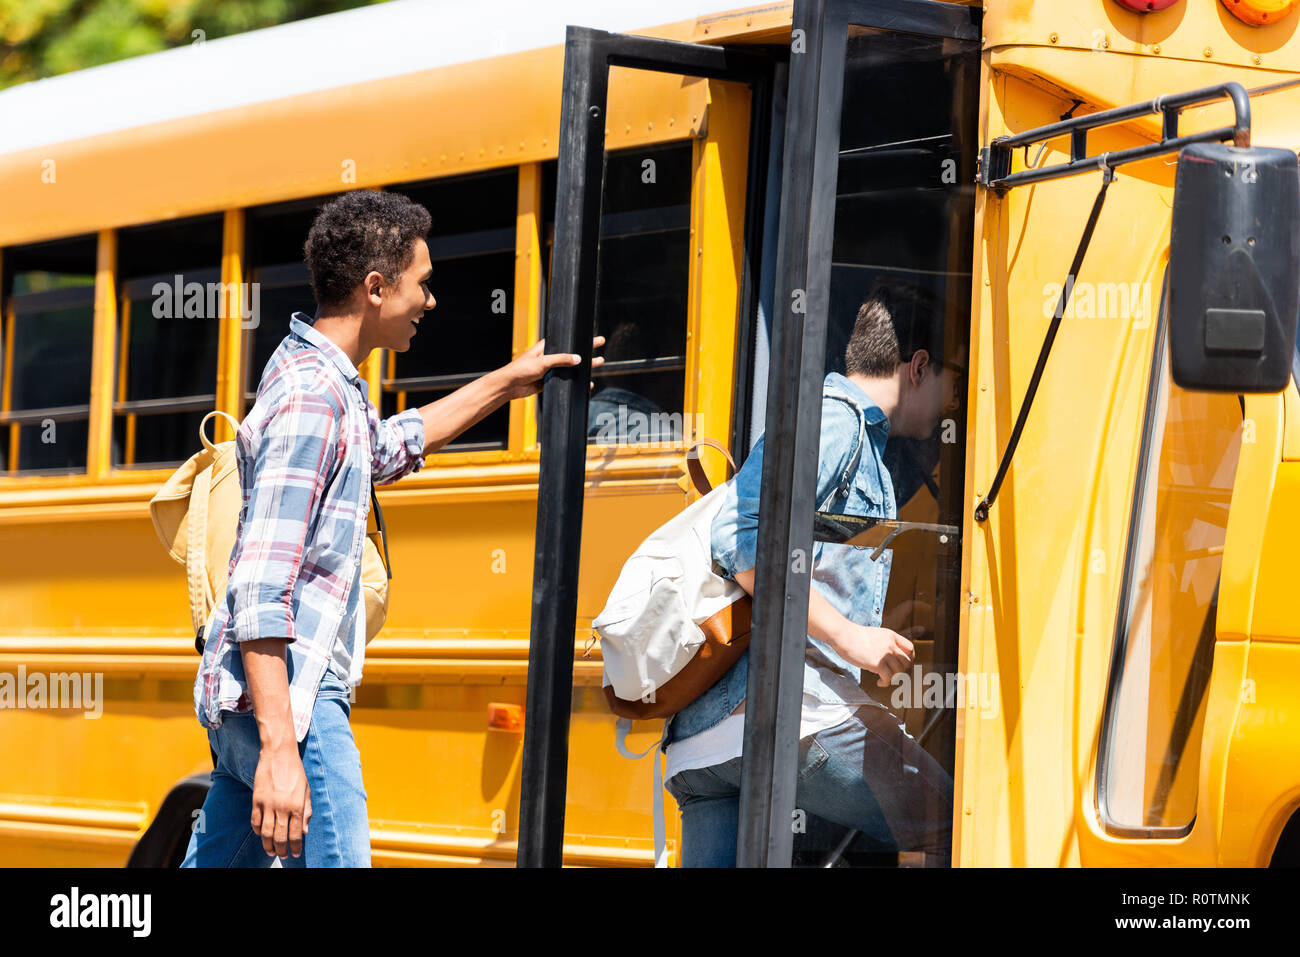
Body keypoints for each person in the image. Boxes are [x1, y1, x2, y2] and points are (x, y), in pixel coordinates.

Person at [182, 189, 602, 867]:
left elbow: (390, 446)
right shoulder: (315, 397)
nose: (431, 301)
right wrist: (285, 747)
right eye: (422, 283)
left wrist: (510, 380)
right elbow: (260, 587)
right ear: (377, 287)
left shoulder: (321, 382)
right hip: (296, 696)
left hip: (259, 698)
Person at [663, 278, 963, 867]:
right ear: (919, 366)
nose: (954, 405)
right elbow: (742, 536)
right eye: (955, 386)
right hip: (785, 721)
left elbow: (796, 562)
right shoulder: (839, 422)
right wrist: (851, 637)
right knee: (959, 821)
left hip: (703, 745)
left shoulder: (842, 429)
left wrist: (866, 626)